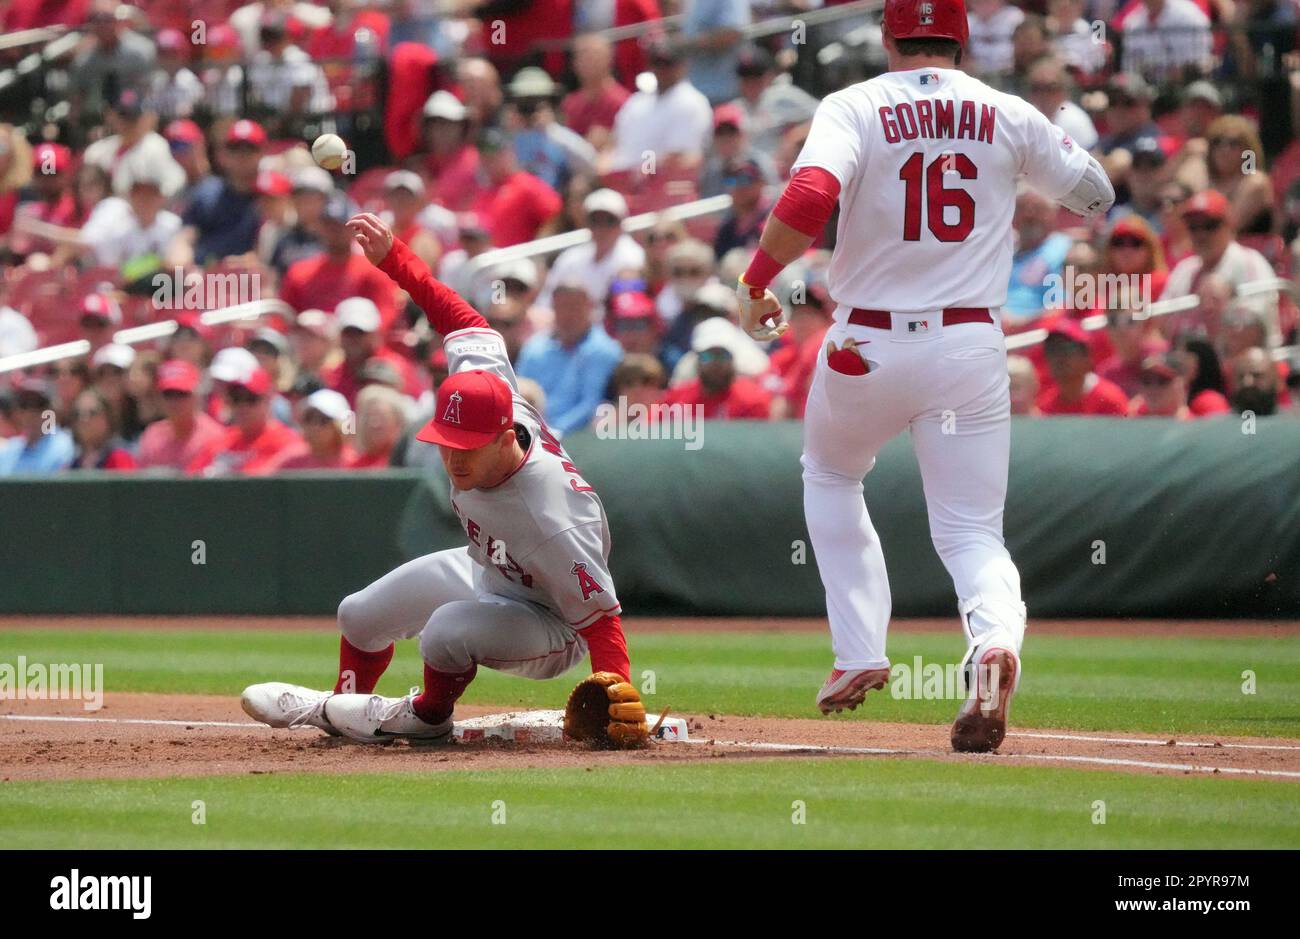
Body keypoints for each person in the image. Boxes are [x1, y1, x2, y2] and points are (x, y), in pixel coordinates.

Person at [733, 0, 1114, 752]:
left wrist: (755, 280)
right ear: (963, 41)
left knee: (833, 474)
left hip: (864, 342)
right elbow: (1096, 195)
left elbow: (810, 196)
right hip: (969, 343)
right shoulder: (1006, 111)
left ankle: (859, 651)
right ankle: (992, 642)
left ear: (888, 38)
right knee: (972, 531)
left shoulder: (855, 103)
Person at [240, 212, 636, 745]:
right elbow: (465, 322)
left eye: (466, 449)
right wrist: (395, 261)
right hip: (490, 569)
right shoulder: (489, 393)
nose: (453, 460)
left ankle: (427, 718)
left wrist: (618, 698)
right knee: (358, 615)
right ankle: (345, 714)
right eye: (446, 445)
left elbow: (600, 619)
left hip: (549, 621)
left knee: (446, 630)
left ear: (504, 439)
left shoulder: (551, 513)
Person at [516, 279, 624, 436]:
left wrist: (553, 434)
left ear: (590, 308)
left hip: (581, 440)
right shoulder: (534, 348)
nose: (568, 315)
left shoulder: (605, 351)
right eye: (562, 307)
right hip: (530, 435)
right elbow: (518, 395)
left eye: (575, 307)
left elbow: (592, 405)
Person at [185, 366, 303, 476]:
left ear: (268, 399)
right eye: (236, 399)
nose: (243, 407)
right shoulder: (219, 443)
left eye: (251, 399)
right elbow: (191, 482)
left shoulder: (288, 444)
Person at [539, 189, 645, 308]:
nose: (601, 228)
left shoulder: (634, 257)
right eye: (595, 220)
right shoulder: (570, 258)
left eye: (610, 220)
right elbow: (545, 302)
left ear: (621, 223)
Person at [135, 360, 225, 471]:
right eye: (168, 394)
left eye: (182, 394)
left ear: (195, 396)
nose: (174, 402)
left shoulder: (215, 437)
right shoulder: (152, 436)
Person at [1037, 320, 1130, 414]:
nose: (1058, 357)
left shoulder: (1108, 399)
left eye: (1065, 349)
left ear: (1086, 357)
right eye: (1051, 350)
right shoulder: (1046, 407)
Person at [0, 378, 74, 475]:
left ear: (52, 410)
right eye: (24, 405)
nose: (29, 413)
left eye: (38, 405)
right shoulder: (10, 449)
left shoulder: (63, 446)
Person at [272, 389, 357, 470]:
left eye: (323, 420)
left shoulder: (354, 463)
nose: (314, 426)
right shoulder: (291, 460)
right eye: (308, 418)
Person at [68, 388, 136, 469]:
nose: (84, 419)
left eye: (92, 413)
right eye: (77, 414)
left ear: (107, 418)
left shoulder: (120, 459)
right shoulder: (72, 465)